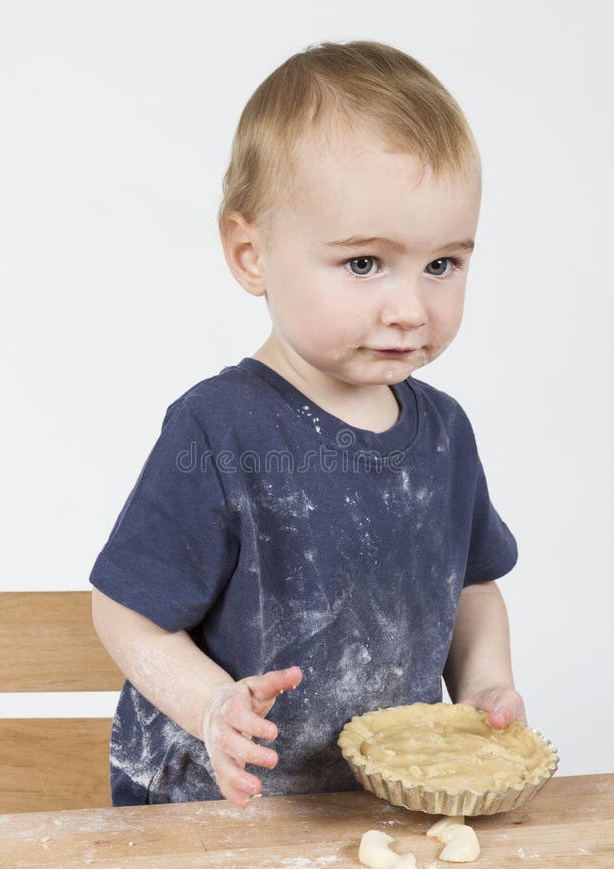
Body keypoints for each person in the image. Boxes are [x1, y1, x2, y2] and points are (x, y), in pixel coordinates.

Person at [90, 39, 526, 810]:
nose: (410, 307)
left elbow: (474, 588)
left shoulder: (446, 435)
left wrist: (487, 680)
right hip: (218, 809)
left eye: (443, 264)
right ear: (252, 254)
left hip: (375, 803)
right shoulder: (220, 431)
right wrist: (211, 707)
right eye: (364, 264)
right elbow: (125, 611)